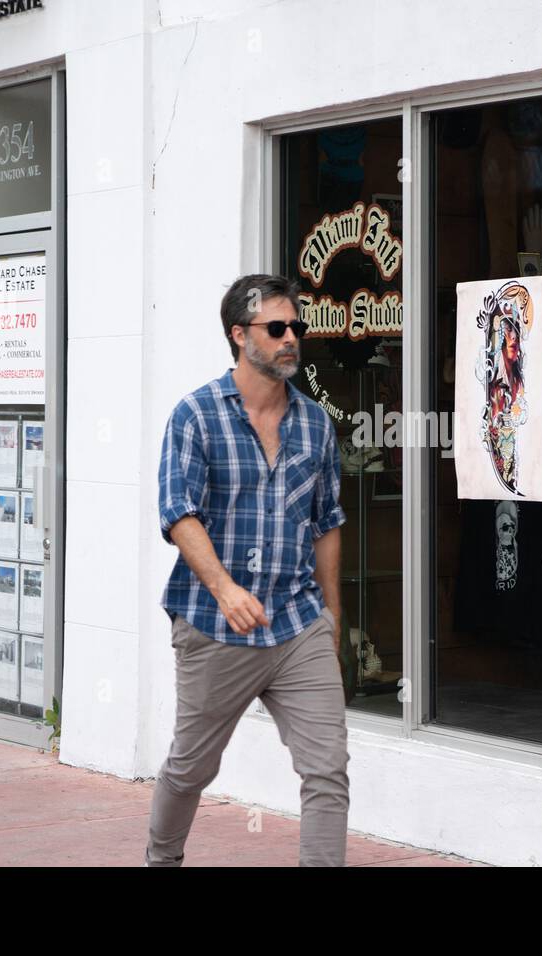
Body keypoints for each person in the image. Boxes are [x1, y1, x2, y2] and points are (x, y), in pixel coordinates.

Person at [145, 274, 349, 867]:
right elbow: (178, 513)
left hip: (297, 621)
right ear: (240, 335)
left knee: (327, 769)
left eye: (297, 329)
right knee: (191, 766)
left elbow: (327, 523)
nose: (292, 340)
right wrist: (225, 587)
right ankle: (162, 860)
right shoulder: (196, 416)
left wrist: (331, 615)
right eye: (276, 329)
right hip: (215, 623)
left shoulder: (315, 424)